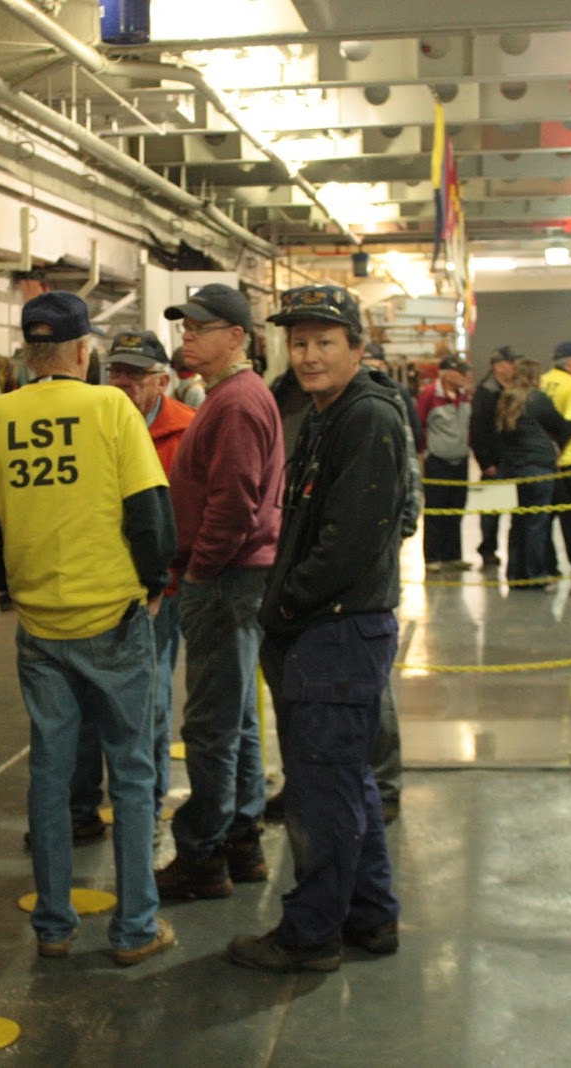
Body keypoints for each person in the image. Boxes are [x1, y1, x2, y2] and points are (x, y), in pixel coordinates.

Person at [0, 291, 177, 966]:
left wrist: (16, 588)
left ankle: (54, 925)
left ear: (29, 354)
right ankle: (135, 927)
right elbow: (150, 515)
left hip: (41, 628)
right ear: (86, 353)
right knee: (133, 774)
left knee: (50, 775)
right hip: (114, 617)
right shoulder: (112, 408)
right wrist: (151, 585)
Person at [229, 284, 407, 973]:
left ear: (357, 349)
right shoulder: (328, 414)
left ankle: (311, 935)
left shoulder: (365, 418)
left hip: (333, 633)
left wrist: (281, 608)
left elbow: (347, 546)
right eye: (298, 343)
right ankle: (369, 914)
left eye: (324, 342)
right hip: (330, 631)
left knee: (320, 794)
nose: (307, 356)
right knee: (347, 781)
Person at [155, 283, 284, 901]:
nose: (187, 336)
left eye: (199, 327)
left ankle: (204, 851)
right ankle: (242, 838)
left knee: (210, 723)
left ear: (236, 336)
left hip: (227, 579)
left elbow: (235, 502)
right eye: (184, 327)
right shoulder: (230, 395)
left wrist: (200, 569)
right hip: (235, 577)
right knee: (236, 719)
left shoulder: (234, 403)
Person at [67, 330, 196, 839]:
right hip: (98, 582)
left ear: (162, 379)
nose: (123, 382)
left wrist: (166, 577)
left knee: (150, 702)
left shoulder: (186, 429)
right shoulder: (87, 422)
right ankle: (79, 811)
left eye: (136, 373)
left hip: (161, 590)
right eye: (117, 371)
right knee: (84, 706)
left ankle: (146, 808)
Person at [491, 359, 571, 589]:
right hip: (538, 467)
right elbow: (561, 426)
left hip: (511, 468)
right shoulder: (537, 398)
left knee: (516, 522)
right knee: (536, 523)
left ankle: (515, 574)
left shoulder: (505, 398)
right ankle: (535, 574)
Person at [416, 356, 473, 572]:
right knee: (436, 510)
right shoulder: (430, 394)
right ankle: (433, 557)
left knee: (456, 508)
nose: (463, 376)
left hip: (460, 461)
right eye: (458, 372)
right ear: (446, 373)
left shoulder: (464, 396)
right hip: (438, 462)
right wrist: (425, 452)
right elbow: (419, 423)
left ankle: (453, 555)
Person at [540, 342, 571, 578]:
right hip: (569, 461)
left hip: (544, 463)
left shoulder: (542, 381)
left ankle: (549, 566)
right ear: (570, 363)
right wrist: (558, 448)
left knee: (544, 519)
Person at [470, 346, 518, 569]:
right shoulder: (486, 392)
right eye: (510, 363)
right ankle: (488, 550)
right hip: (494, 462)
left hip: (512, 458)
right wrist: (485, 462)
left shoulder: (512, 390)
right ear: (498, 366)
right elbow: (477, 429)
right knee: (490, 512)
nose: (514, 366)